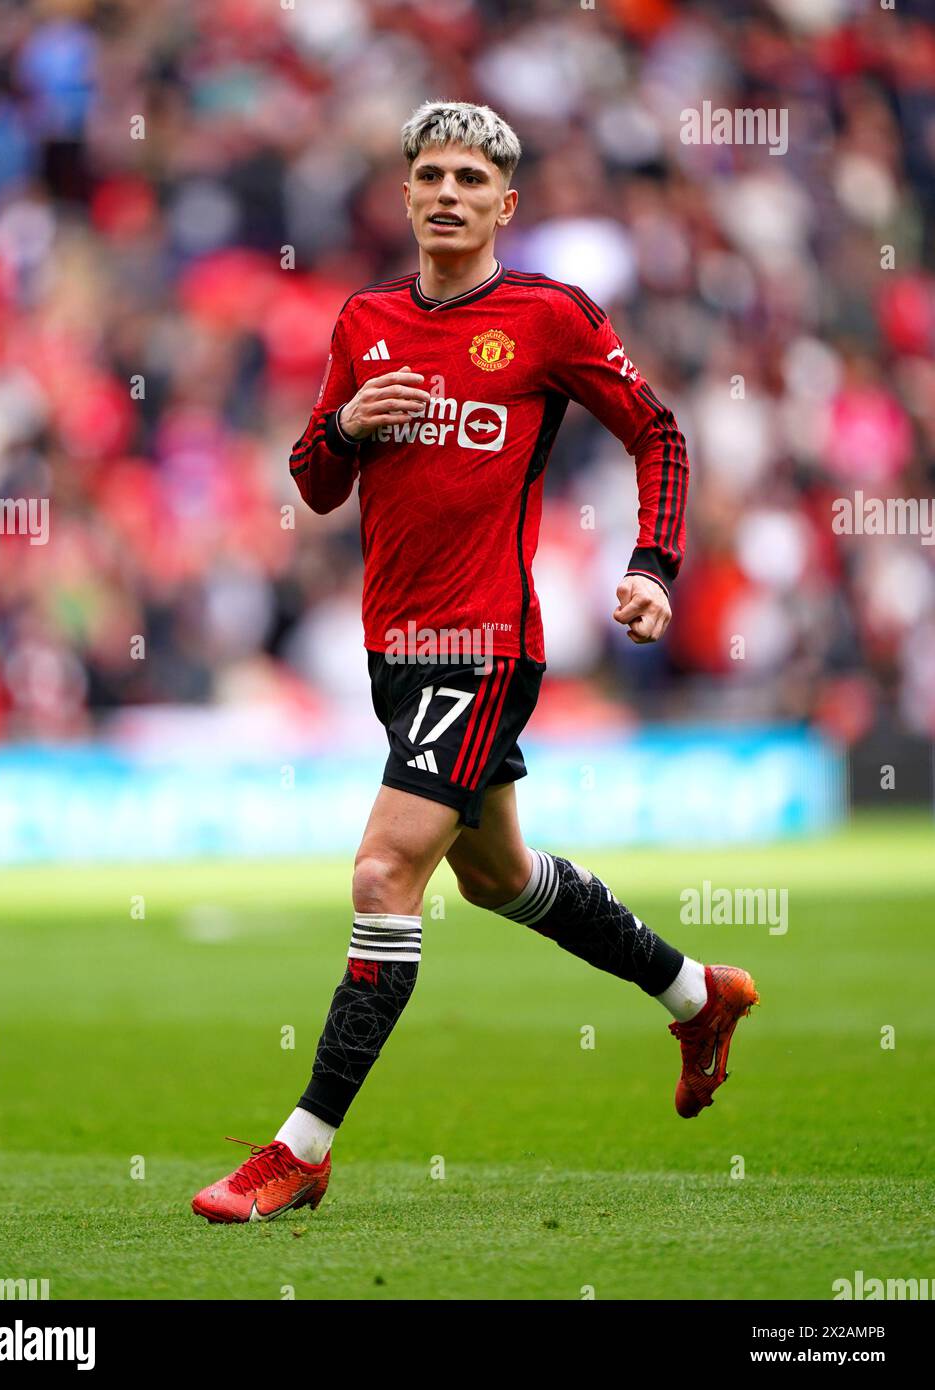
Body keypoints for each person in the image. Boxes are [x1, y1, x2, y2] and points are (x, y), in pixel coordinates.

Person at [192, 101, 758, 1224]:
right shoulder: (362, 320)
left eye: (471, 179)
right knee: (495, 877)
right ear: (404, 194)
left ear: (507, 203)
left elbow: (658, 431)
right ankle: (696, 995)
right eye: (430, 175)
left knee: (380, 876)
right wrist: (349, 424)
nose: (448, 193)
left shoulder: (547, 317)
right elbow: (312, 483)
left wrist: (652, 563)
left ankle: (301, 1148)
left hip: (485, 640)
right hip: (392, 647)